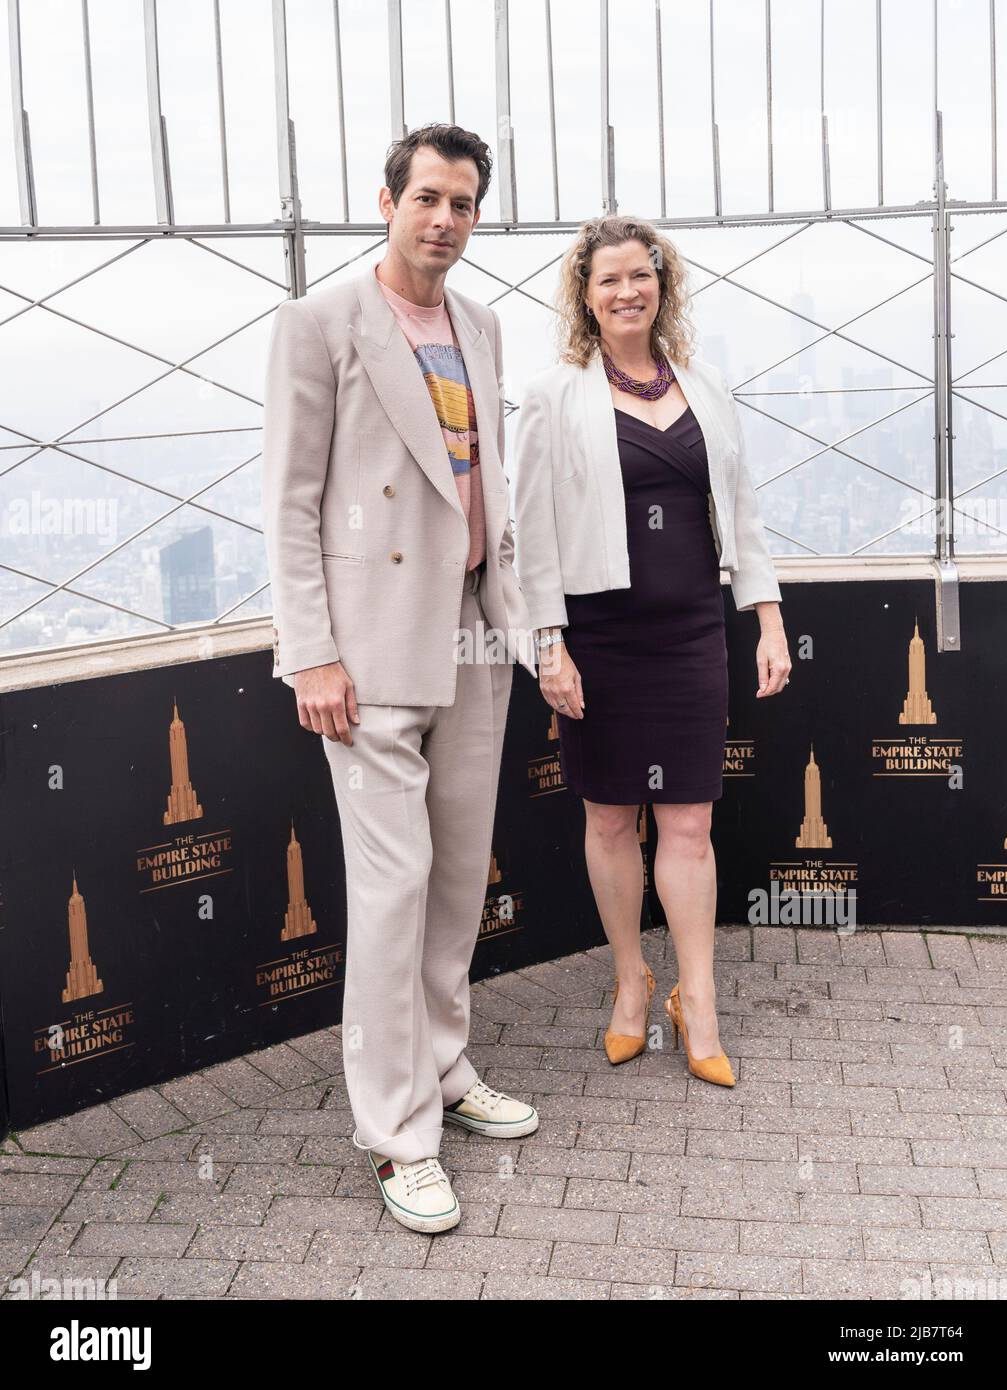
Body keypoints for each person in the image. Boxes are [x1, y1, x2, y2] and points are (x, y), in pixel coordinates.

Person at [261, 124, 539, 1235]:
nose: (445, 220)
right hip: (369, 651)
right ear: (384, 200)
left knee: (455, 878)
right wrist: (310, 652)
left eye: (463, 203)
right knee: (386, 897)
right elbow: (288, 502)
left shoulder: (480, 323)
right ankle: (395, 1134)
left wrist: (520, 626)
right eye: (427, 197)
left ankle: (440, 1063)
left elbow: (487, 484)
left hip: (471, 636)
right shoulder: (317, 324)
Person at [512, 215, 791, 1086]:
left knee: (690, 823)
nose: (626, 291)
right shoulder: (554, 394)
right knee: (606, 818)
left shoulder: (704, 386)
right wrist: (547, 646)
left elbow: (740, 508)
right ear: (584, 298)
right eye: (607, 280)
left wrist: (768, 614)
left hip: (690, 633)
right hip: (597, 637)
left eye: (641, 275)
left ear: (661, 284)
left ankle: (695, 998)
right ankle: (631, 984)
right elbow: (528, 530)